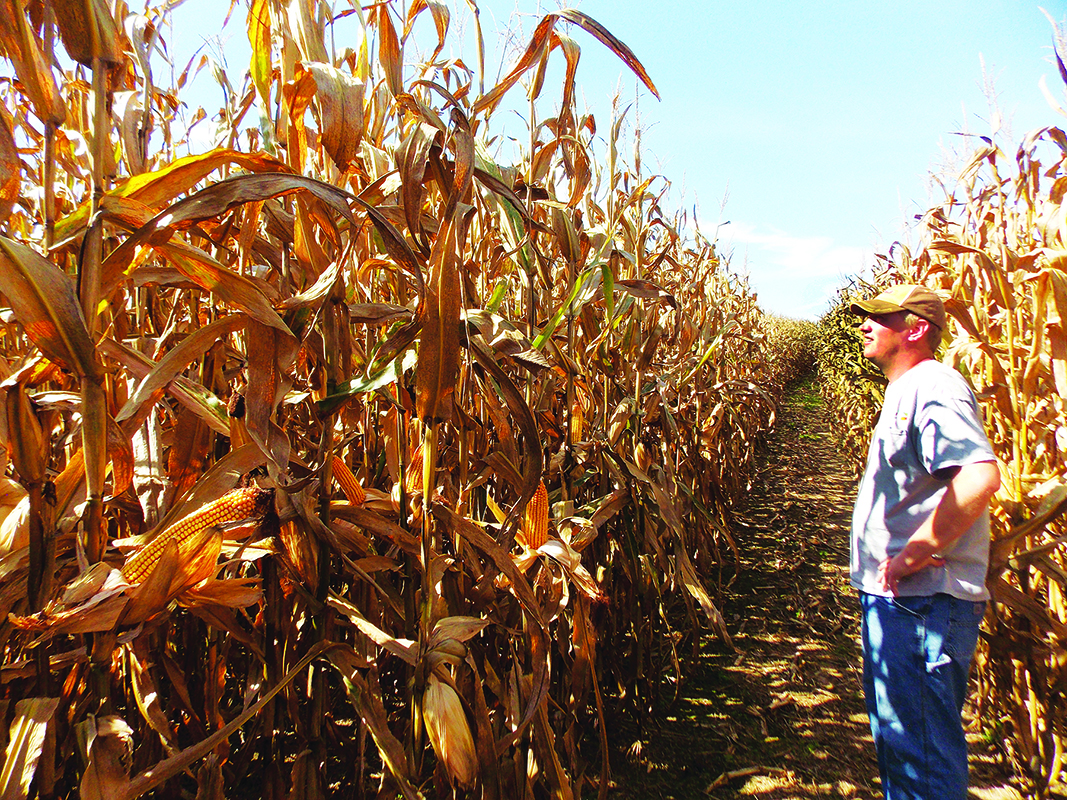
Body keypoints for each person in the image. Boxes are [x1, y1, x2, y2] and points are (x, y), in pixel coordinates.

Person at [848, 284, 1001, 800]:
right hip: (905, 603)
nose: (865, 325)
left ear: (915, 329)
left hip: (923, 606)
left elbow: (978, 476)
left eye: (880, 318)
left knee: (922, 759)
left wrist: (915, 551)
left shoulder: (934, 387)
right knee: (903, 746)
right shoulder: (908, 388)